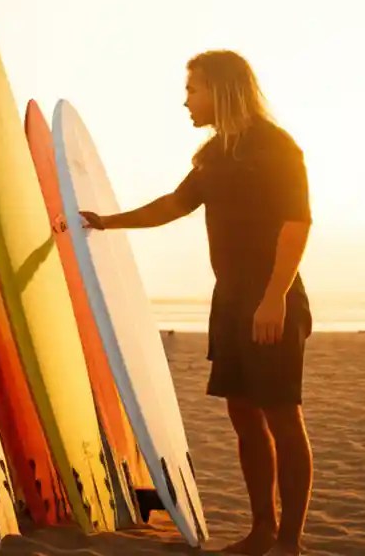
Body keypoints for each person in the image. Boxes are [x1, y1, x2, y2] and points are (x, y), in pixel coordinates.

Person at [80, 50, 313, 556]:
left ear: (222, 90)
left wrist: (274, 297)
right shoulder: (213, 157)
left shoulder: (276, 148)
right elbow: (173, 205)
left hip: (271, 297)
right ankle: (262, 530)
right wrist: (106, 221)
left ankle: (289, 543)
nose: (186, 100)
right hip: (229, 300)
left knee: (281, 416)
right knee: (244, 416)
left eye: (193, 89)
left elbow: (297, 224)